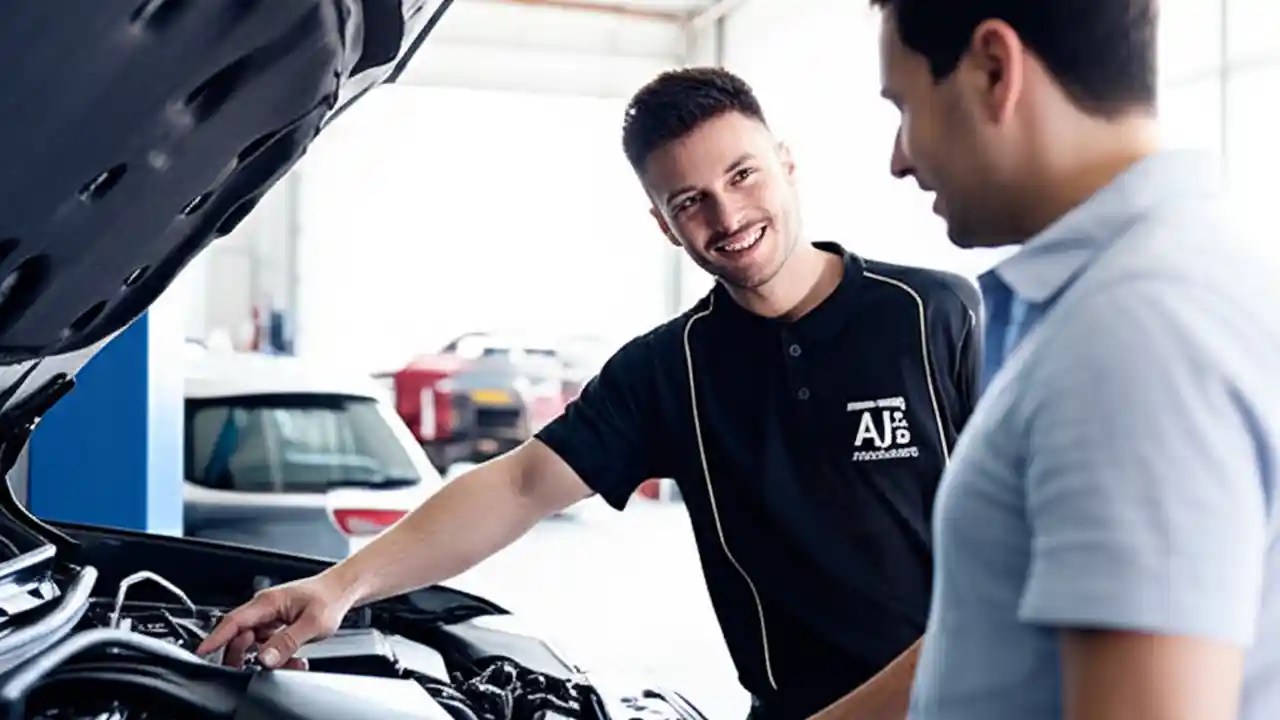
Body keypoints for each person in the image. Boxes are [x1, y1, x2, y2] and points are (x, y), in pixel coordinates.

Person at [196, 66, 983, 719]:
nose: (727, 213)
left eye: (742, 174)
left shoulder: (937, 315)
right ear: (664, 225)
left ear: (785, 161)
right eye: (689, 201)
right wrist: (339, 585)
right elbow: (519, 484)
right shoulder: (670, 368)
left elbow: (1035, 538)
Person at [866, 1, 1280, 719]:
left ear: (994, 70)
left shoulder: (1135, 330)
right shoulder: (1150, 287)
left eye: (904, 107)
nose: (899, 158)